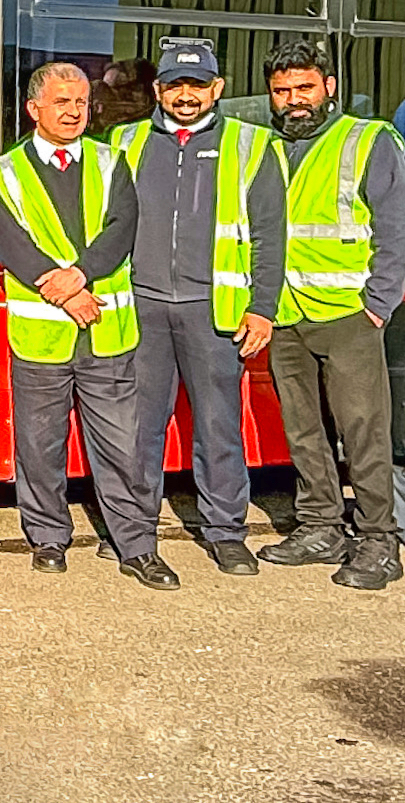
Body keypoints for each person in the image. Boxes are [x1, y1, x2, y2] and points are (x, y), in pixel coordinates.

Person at [108, 37, 287, 584]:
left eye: (198, 85)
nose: (186, 96)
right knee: (141, 428)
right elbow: (110, 227)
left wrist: (262, 309)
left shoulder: (252, 145)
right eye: (175, 85)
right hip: (145, 307)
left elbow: (268, 236)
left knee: (219, 426)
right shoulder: (125, 141)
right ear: (158, 89)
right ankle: (133, 532)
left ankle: (226, 533)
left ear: (218, 88)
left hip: (216, 313)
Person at [0, 62, 157, 578]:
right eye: (62, 102)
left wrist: (78, 277)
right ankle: (49, 539)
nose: (74, 111)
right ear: (35, 109)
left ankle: (137, 547)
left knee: (123, 445)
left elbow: (123, 229)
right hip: (43, 335)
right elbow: (9, 243)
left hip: (107, 333)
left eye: (80, 102)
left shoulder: (112, 162)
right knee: (39, 445)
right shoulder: (4, 171)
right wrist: (65, 295)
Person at [254, 38, 405, 592]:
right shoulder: (265, 147)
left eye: (304, 88)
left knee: (362, 430)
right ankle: (320, 525)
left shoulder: (365, 140)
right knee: (303, 431)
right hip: (284, 312)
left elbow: (400, 225)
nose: (294, 101)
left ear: (328, 87)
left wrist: (378, 304)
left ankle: (378, 539)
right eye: (282, 92)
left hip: (350, 314)